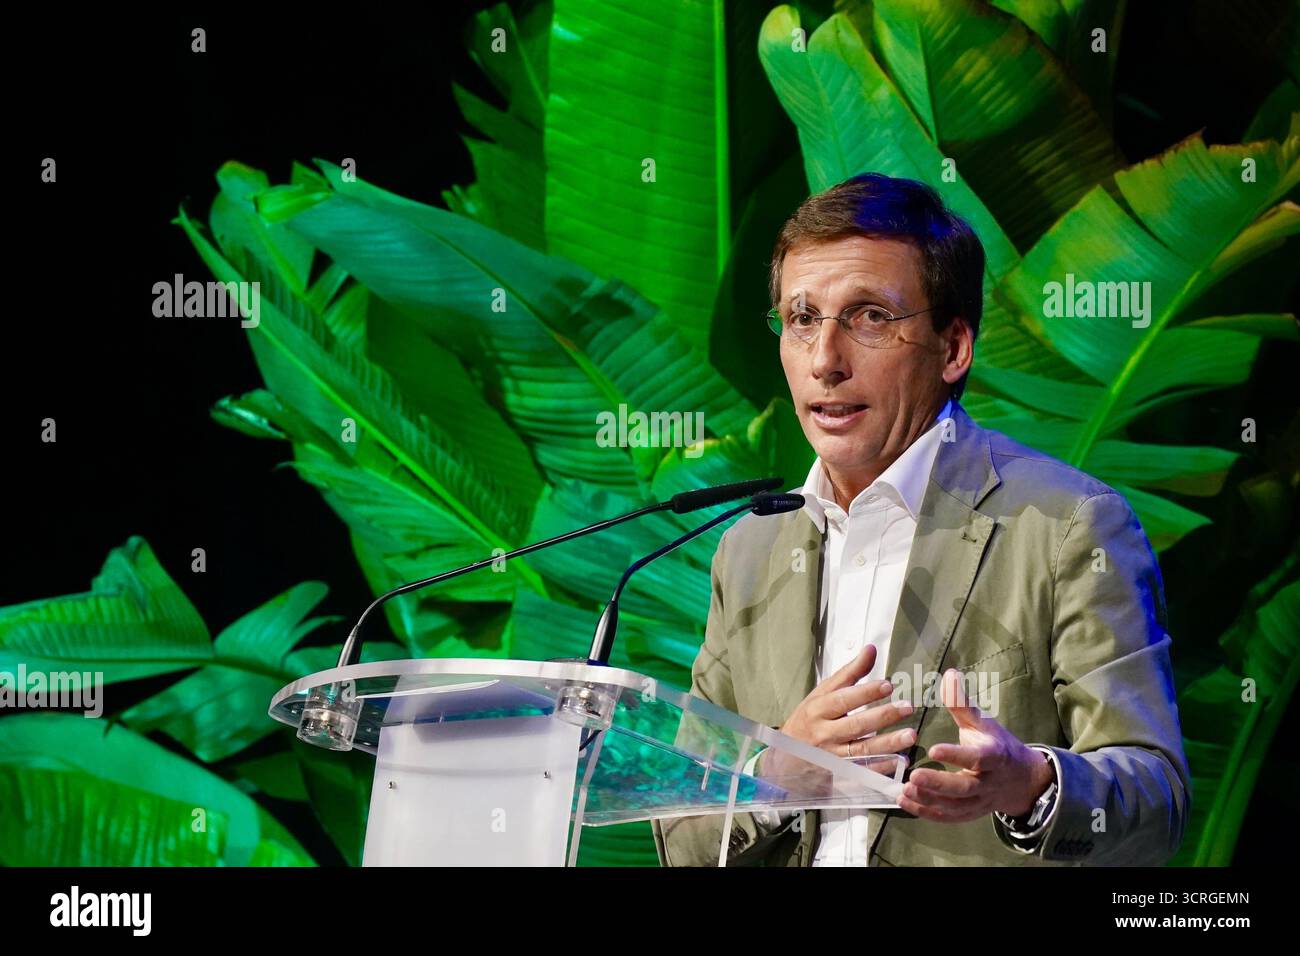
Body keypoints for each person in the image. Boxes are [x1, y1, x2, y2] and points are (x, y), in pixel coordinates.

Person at [652, 173, 1189, 866]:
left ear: (953, 347)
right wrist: (774, 777)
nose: (825, 361)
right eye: (802, 318)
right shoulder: (751, 547)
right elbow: (679, 838)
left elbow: (1159, 802)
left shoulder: (1066, 526)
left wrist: (1032, 784)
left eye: (871, 316)